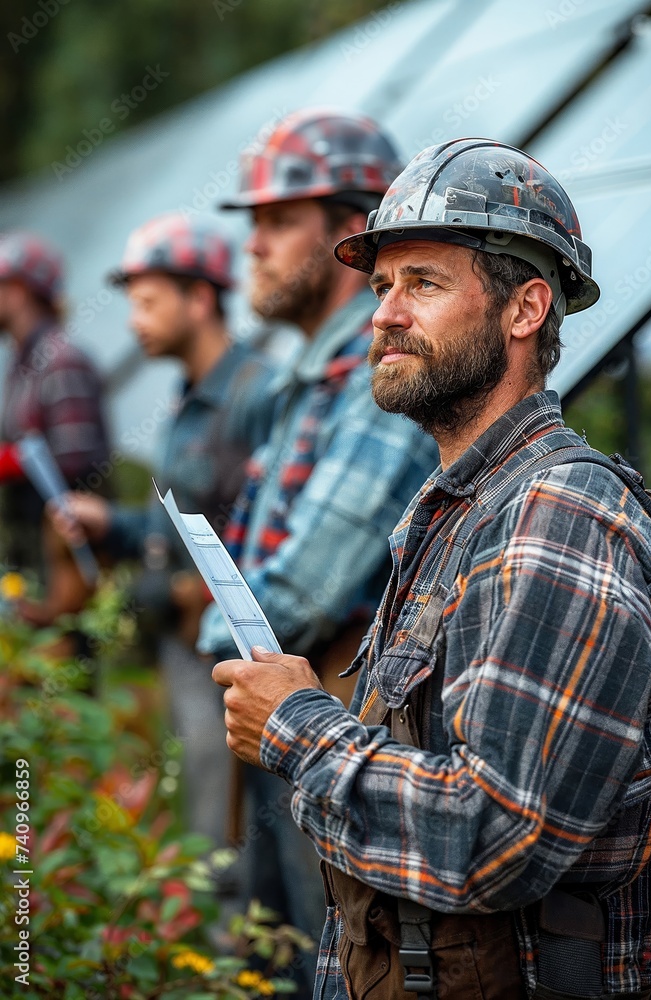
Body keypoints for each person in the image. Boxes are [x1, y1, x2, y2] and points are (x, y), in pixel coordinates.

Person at [213, 138, 651, 999]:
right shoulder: (460, 509)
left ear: (526, 308)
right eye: (381, 286)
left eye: (422, 284)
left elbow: (498, 836)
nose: (382, 313)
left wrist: (297, 727)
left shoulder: (556, 520)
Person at [197, 109, 439, 992]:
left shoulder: (381, 385)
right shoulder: (312, 384)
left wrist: (208, 647)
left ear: (348, 230)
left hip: (342, 739)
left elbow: (299, 588)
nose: (251, 247)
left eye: (275, 221)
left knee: (334, 961)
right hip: (294, 725)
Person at [54, 212, 276, 848]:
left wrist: (203, 595)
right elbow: (169, 528)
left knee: (237, 818)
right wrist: (110, 523)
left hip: (238, 652)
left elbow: (278, 530)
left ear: (200, 298)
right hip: (187, 646)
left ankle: (246, 941)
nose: (133, 320)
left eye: (148, 302)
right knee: (206, 807)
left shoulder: (258, 396)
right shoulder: (185, 398)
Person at [0, 231, 111, 623]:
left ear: (18, 291)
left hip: (70, 553)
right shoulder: (21, 364)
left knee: (69, 657)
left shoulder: (61, 359)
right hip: (34, 545)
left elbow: (77, 458)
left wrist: (9, 462)